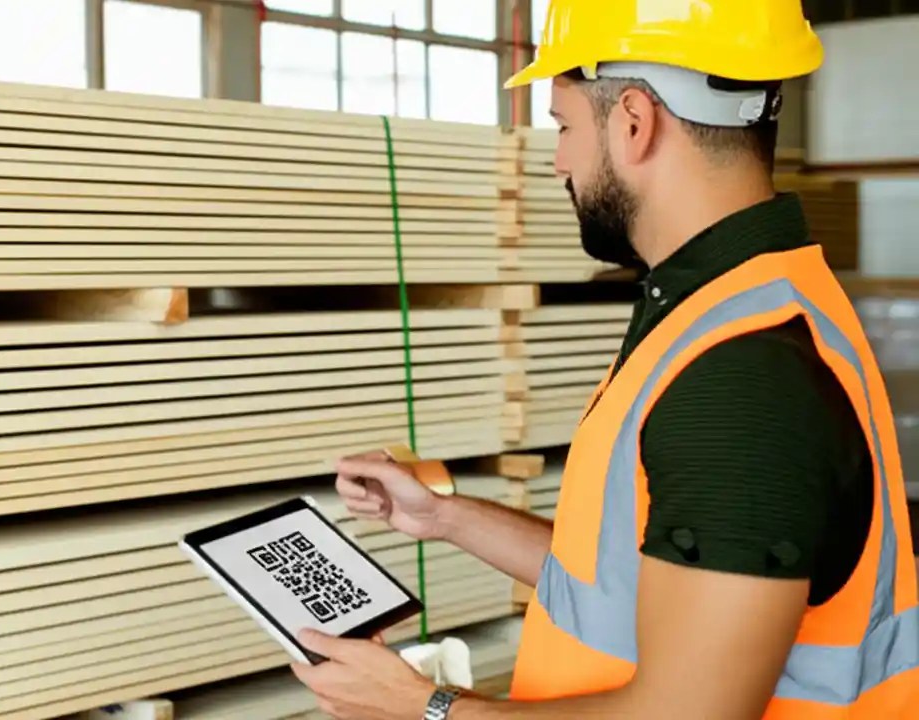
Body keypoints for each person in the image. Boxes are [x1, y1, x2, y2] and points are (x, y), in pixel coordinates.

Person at [288, 1, 919, 718]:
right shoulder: (725, 305)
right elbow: (625, 582)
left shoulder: (740, 375)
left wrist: (426, 707)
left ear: (634, 122)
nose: (559, 160)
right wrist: (444, 517)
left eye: (563, 127)